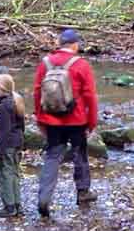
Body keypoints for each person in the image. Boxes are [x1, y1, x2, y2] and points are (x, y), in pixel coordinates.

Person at [33, 28, 98, 219]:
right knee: (80, 154)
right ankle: (83, 193)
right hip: (76, 120)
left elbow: (37, 92)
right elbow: (90, 97)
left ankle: (44, 198)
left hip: (50, 119)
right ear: (75, 45)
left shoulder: (45, 63)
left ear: (60, 44)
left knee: (52, 156)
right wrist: (92, 121)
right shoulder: (81, 64)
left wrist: (39, 119)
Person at [0, 73, 26, 218]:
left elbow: (4, 131)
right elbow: (22, 126)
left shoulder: (4, 107)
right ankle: (17, 205)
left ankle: (9, 207)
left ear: (2, 88)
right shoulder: (17, 100)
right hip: (17, 142)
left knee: (6, 173)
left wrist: (0, 150)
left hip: (8, 144)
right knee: (14, 173)